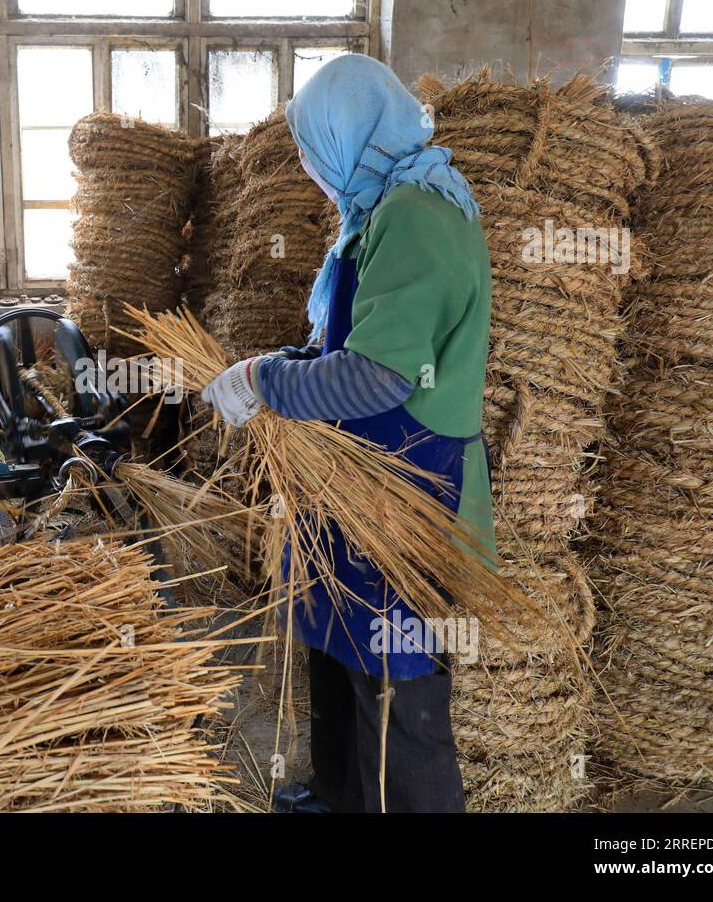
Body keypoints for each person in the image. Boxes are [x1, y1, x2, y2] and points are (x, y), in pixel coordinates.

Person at [200, 55, 496, 813]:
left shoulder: (416, 216)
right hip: (357, 477)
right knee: (338, 652)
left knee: (399, 688)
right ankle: (339, 799)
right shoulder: (378, 213)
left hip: (408, 486)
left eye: (311, 150)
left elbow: (376, 377)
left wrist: (265, 382)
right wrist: (276, 363)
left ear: (349, 135)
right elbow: (346, 350)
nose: (307, 169)